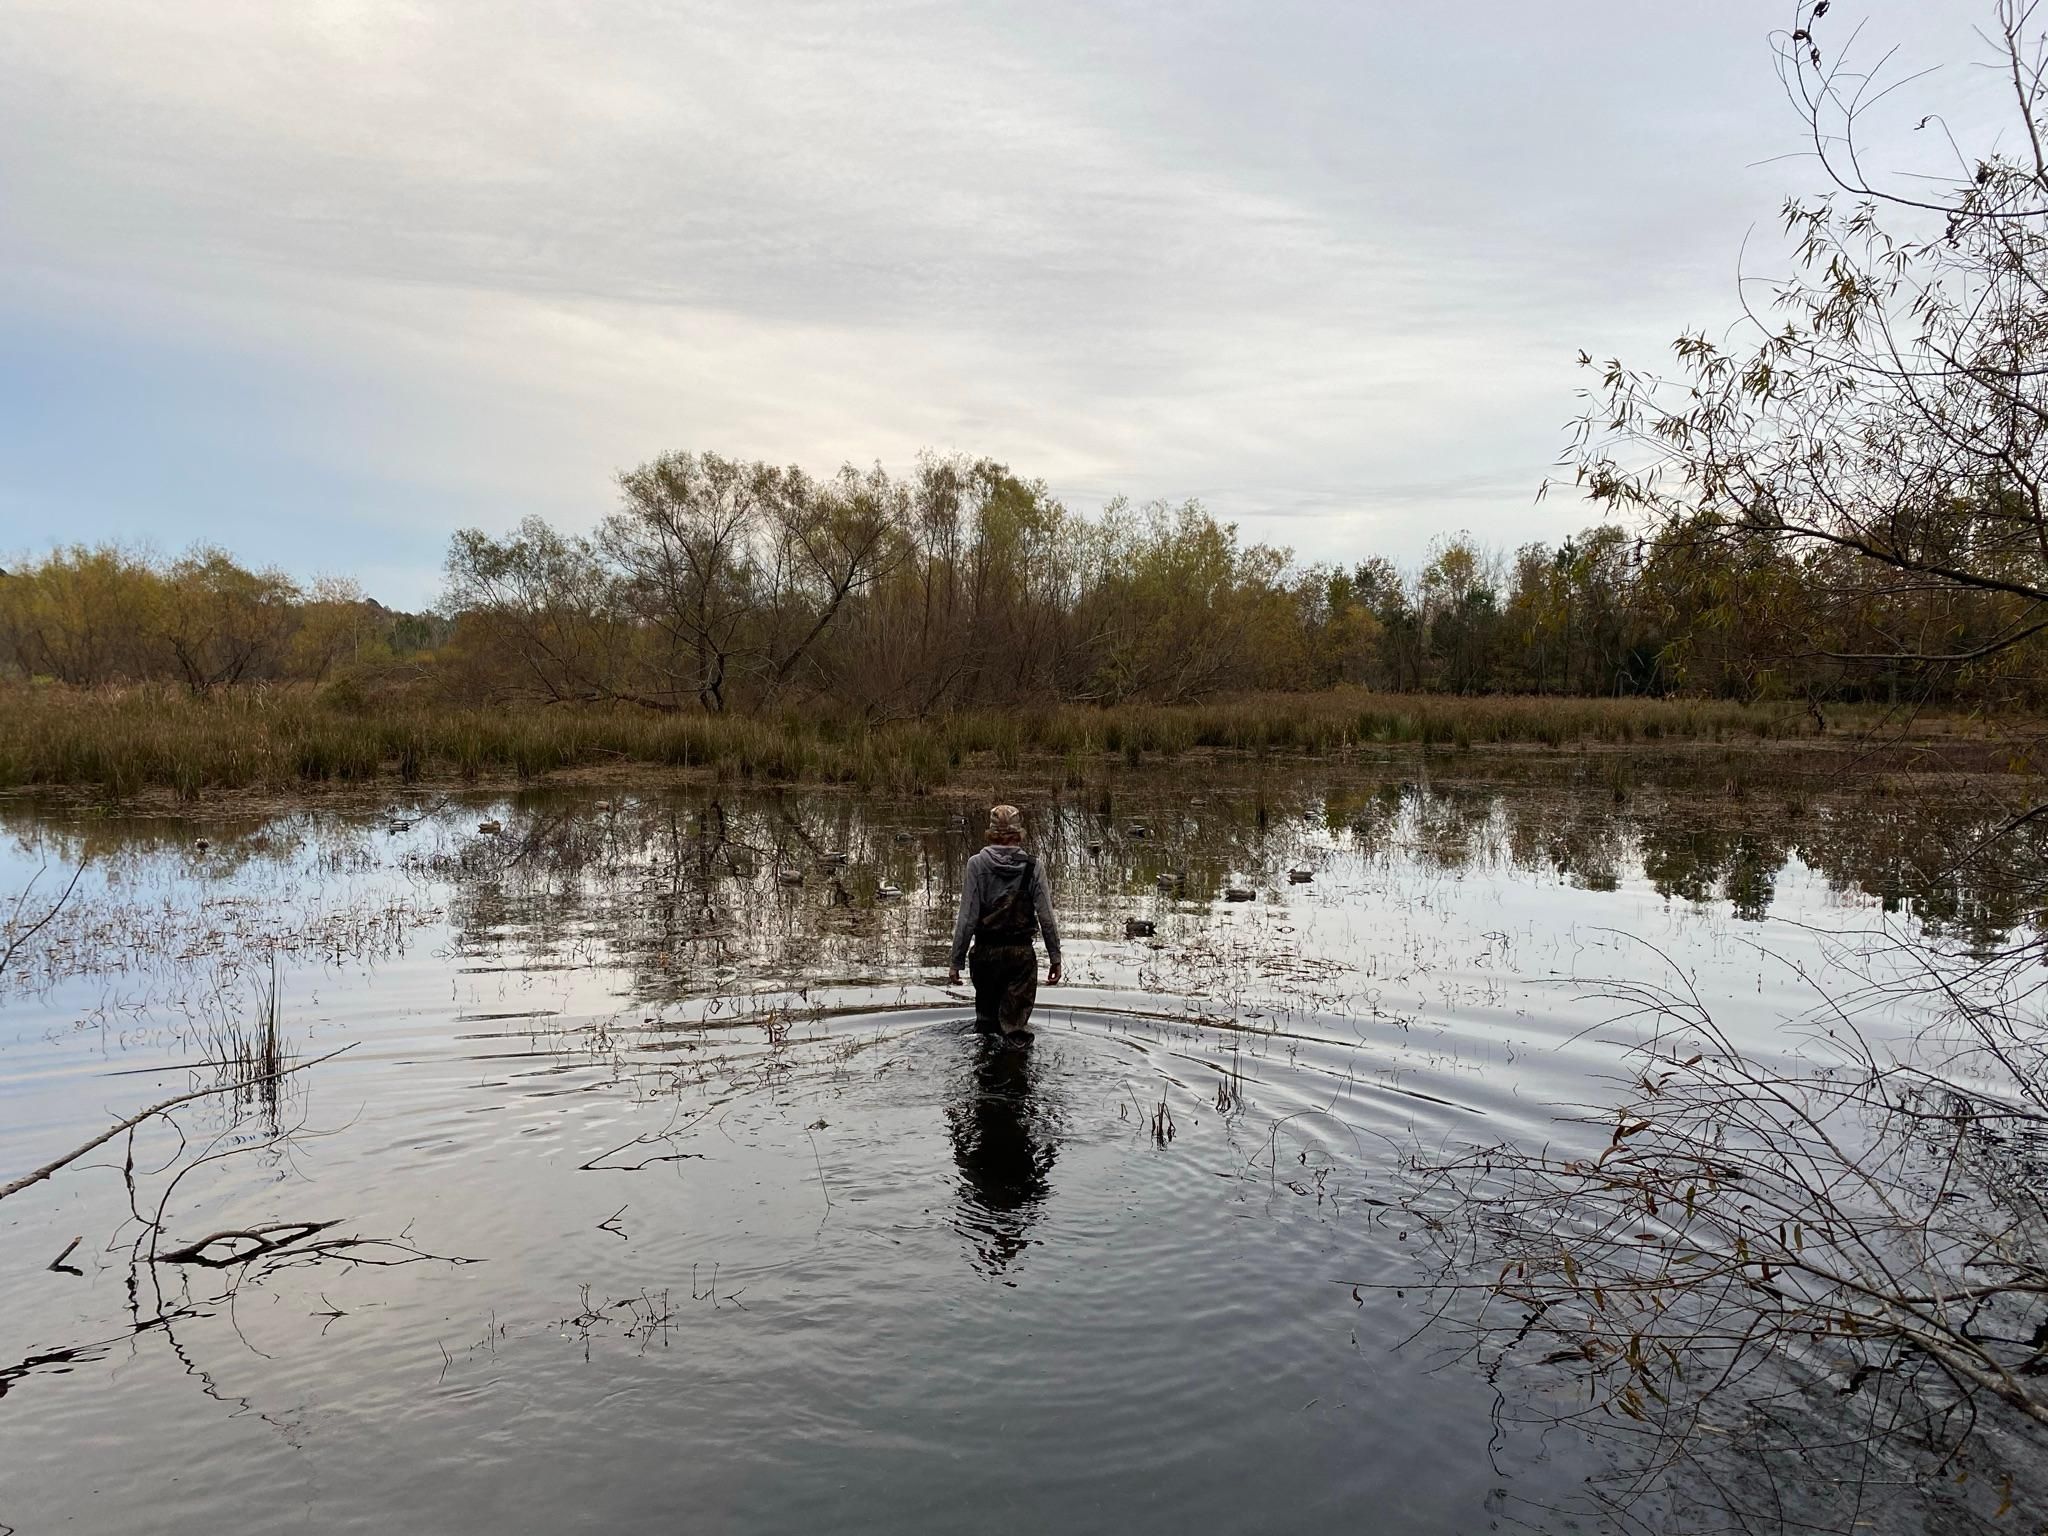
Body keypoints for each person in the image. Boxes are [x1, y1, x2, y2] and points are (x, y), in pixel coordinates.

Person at [948, 804, 1061, 1038]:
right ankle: (1015, 1067)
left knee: (986, 1028)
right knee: (1015, 1031)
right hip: (1019, 959)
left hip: (985, 956)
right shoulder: (1033, 867)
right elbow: (1046, 918)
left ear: (991, 835)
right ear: (1018, 835)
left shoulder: (976, 864)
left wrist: (956, 962)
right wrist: (1055, 957)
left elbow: (967, 918)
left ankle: (987, 1071)